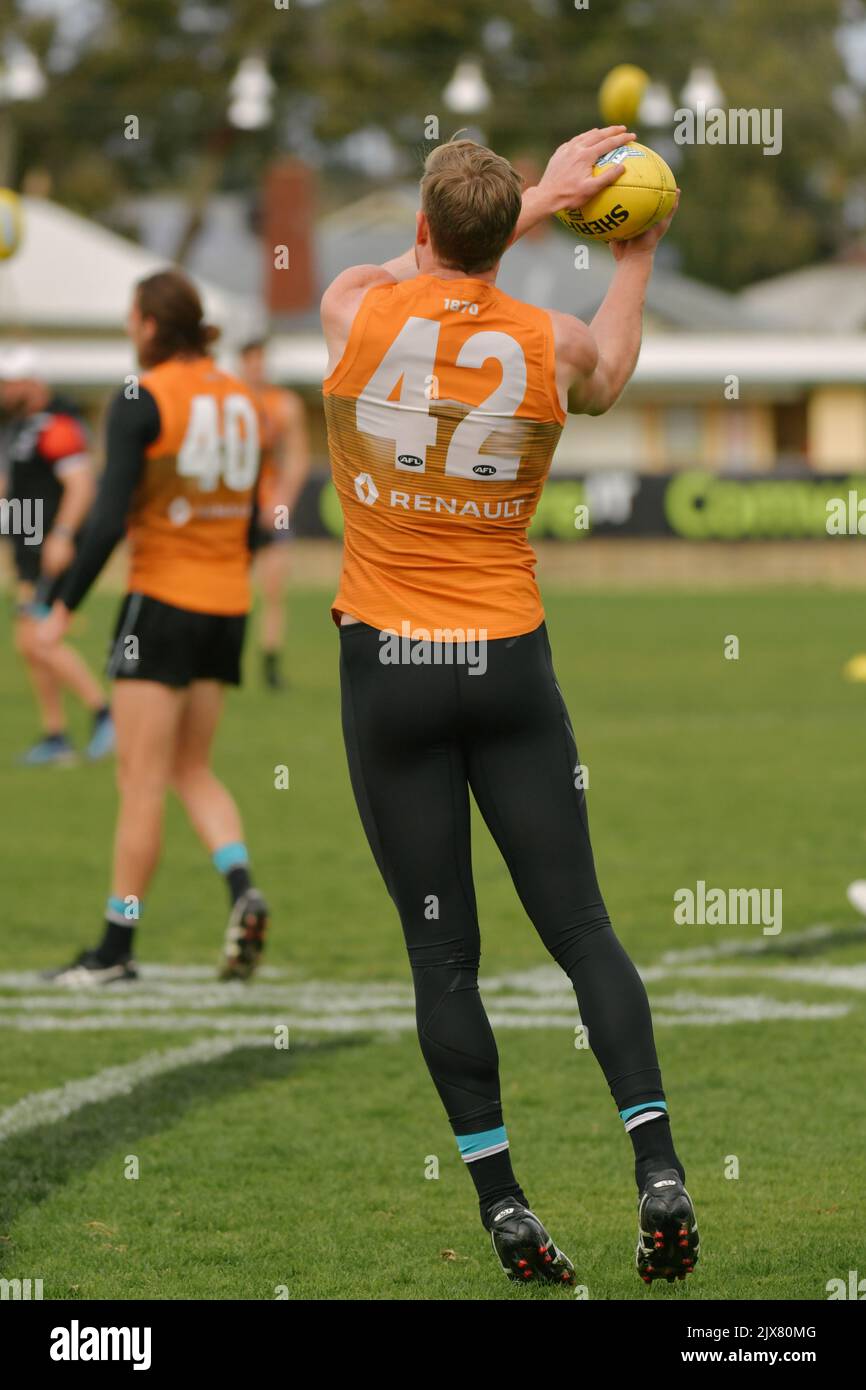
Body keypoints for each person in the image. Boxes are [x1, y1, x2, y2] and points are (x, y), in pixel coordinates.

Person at [320, 130, 699, 1286]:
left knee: (444, 956)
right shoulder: (552, 339)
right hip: (508, 663)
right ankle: (660, 1171)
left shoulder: (353, 309)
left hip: (389, 665)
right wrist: (629, 246)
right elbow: (614, 372)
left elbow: (407, 268)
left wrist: (534, 196)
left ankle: (501, 1204)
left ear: (426, 226)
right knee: (580, 927)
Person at [38, 270, 269, 985]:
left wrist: (60, 609)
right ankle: (242, 890)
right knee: (189, 769)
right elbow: (256, 524)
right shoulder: (239, 398)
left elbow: (107, 518)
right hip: (227, 605)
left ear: (145, 326)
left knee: (139, 782)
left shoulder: (141, 397)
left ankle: (115, 947)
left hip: (162, 603)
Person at [0, 347, 114, 765]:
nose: (5, 390)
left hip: (51, 546)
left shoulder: (59, 426)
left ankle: (104, 712)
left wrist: (63, 535)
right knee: (26, 643)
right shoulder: (17, 429)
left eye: (10, 382)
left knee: (40, 639)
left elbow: (82, 486)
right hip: (26, 549)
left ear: (31, 383)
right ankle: (55, 735)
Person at [237, 339, 310, 691]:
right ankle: (226, 656)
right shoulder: (228, 399)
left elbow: (297, 458)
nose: (256, 367)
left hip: (271, 504)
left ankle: (270, 663)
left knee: (274, 585)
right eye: (250, 360)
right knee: (231, 585)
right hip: (233, 507)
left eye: (261, 360)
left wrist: (281, 502)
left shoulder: (284, 403)